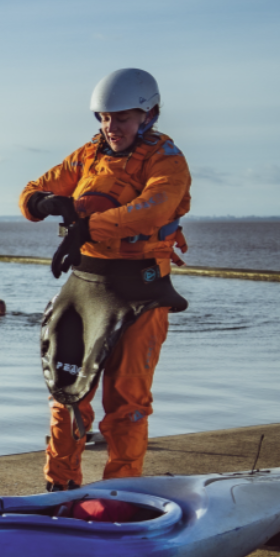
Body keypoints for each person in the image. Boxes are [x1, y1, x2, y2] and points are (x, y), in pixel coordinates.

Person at [18, 68, 190, 492]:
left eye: (122, 118)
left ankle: (120, 494)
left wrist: (87, 227)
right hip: (86, 282)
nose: (111, 127)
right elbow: (32, 190)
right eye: (104, 118)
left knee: (127, 403)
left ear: (148, 115)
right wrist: (43, 201)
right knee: (66, 392)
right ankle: (60, 488)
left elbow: (153, 208)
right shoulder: (89, 154)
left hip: (140, 286)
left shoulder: (167, 160)